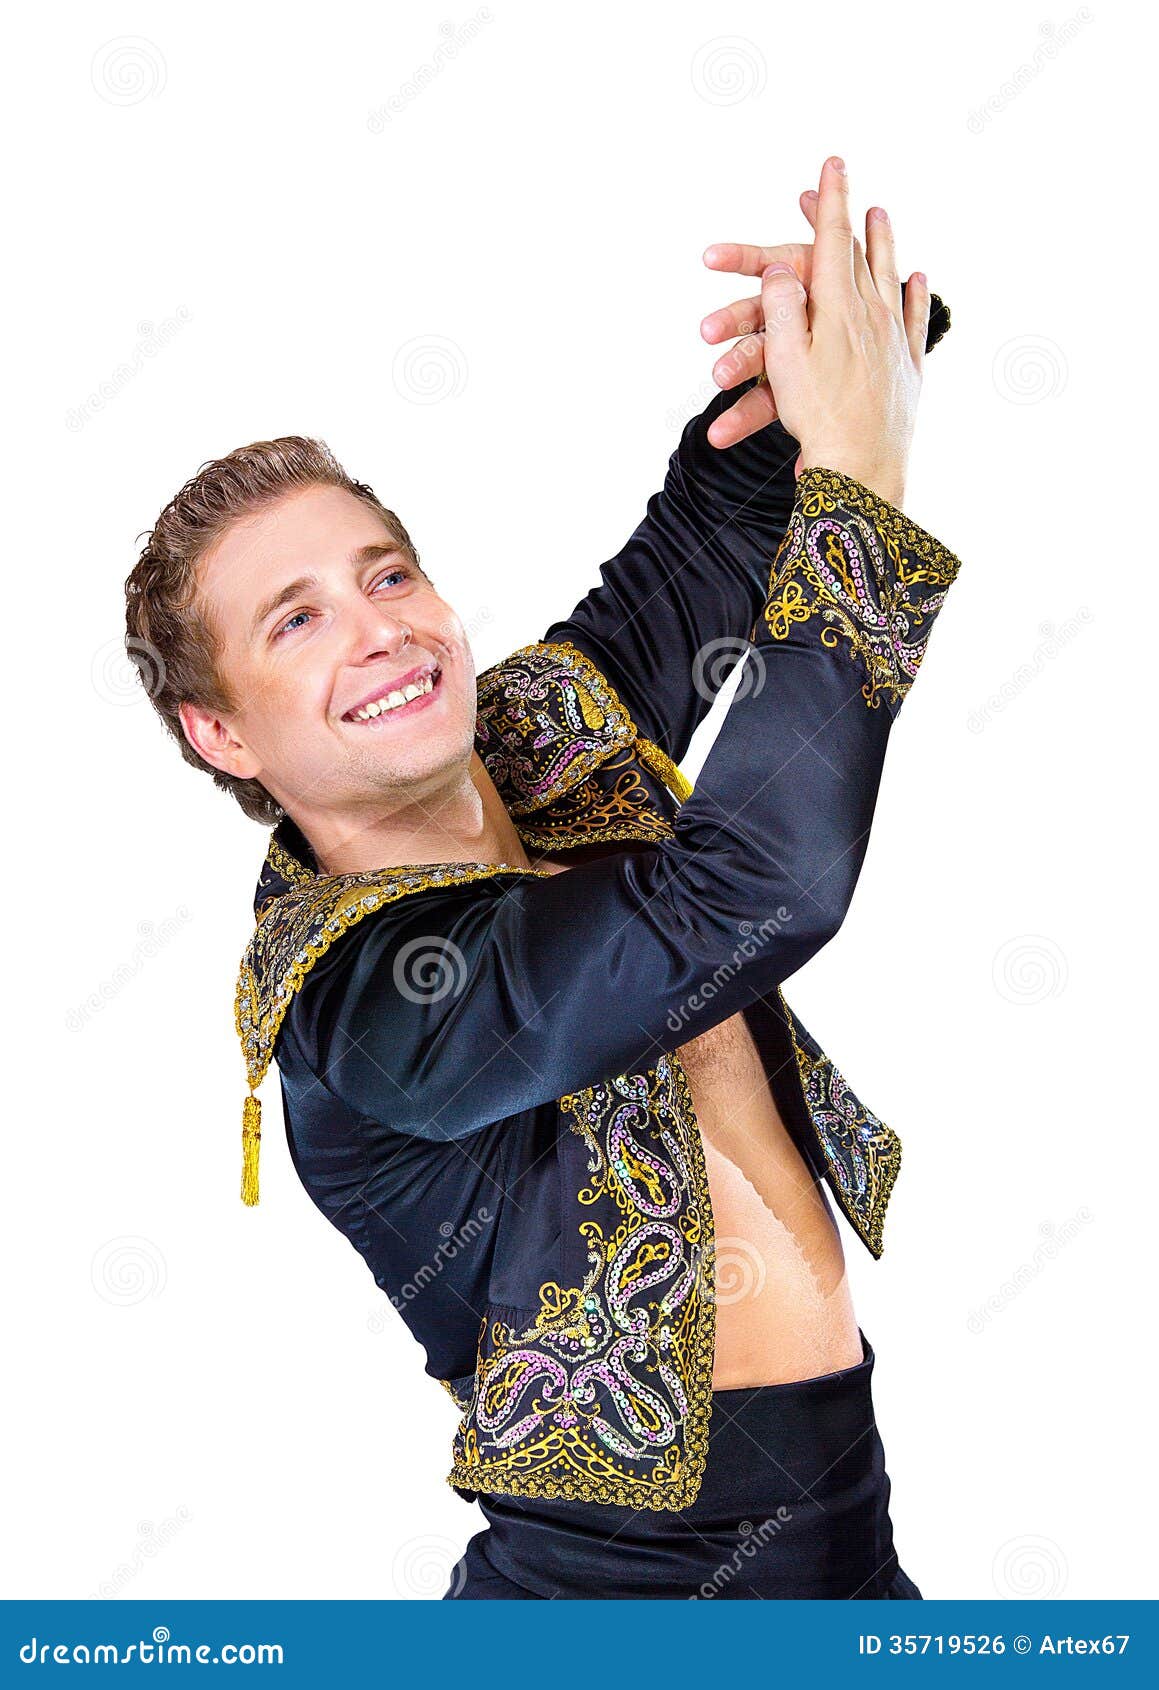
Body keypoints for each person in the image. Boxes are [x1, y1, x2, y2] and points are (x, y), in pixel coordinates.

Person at [124, 156, 961, 1599]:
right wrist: (863, 495)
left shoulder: (532, 736)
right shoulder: (366, 1009)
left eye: (389, 575)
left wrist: (843, 336)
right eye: (299, 619)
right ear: (221, 730)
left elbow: (698, 550)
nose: (380, 631)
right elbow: (752, 889)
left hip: (847, 1550)